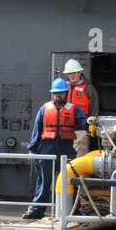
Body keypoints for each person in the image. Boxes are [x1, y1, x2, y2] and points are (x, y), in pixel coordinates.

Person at [24, 78, 89, 219]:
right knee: (43, 180)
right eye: (56, 93)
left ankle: (73, 211)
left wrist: (91, 121)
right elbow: (37, 131)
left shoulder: (74, 109)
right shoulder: (44, 109)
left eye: (61, 93)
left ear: (66, 93)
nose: (58, 96)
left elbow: (84, 123)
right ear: (52, 94)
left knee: (70, 180)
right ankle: (36, 211)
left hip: (67, 149)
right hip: (47, 149)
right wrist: (33, 149)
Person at [63, 58, 100, 155]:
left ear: (80, 73)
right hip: (64, 130)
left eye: (75, 72)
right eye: (70, 73)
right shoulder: (62, 88)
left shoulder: (88, 88)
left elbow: (94, 108)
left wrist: (92, 122)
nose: (73, 75)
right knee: (63, 160)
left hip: (81, 131)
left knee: (79, 160)